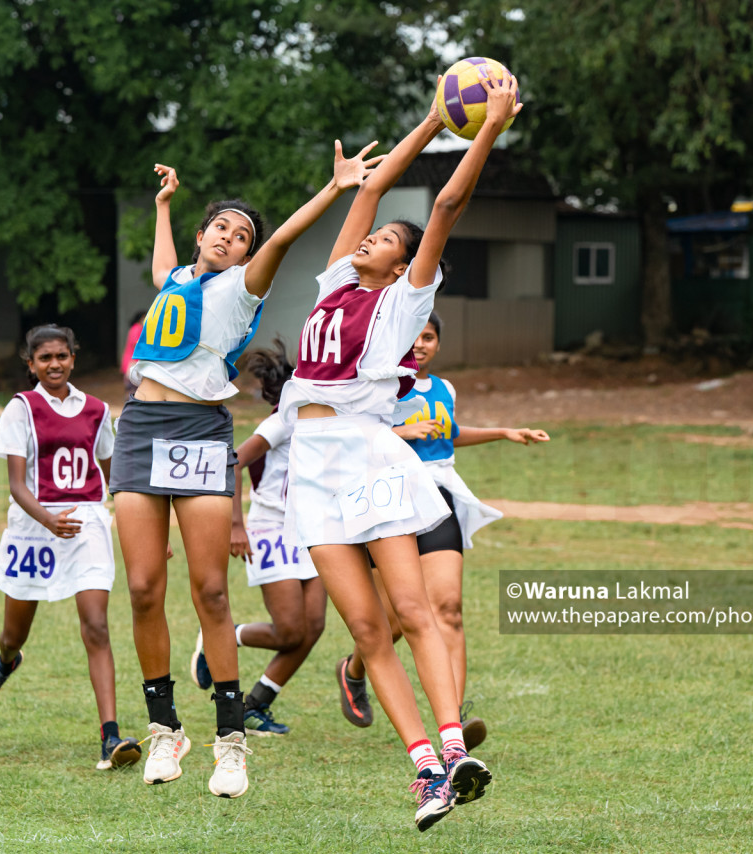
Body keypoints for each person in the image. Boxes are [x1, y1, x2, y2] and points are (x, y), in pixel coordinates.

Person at [278, 73, 521, 831]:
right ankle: (425, 772)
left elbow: (444, 205)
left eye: (384, 240)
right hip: (309, 468)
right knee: (366, 630)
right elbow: (368, 195)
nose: (370, 238)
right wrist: (425, 119)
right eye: (373, 235)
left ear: (402, 265)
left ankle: (454, 751)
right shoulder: (334, 283)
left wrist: (484, 128)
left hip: (367, 455)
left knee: (415, 610)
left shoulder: (401, 299)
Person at [110, 140, 385, 796]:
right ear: (202, 235)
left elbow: (285, 236)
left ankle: (230, 741)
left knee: (209, 590)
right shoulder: (178, 279)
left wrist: (336, 188)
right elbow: (163, 265)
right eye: (222, 229)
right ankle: (164, 729)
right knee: (145, 588)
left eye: (242, 236)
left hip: (200, 431)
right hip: (141, 426)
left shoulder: (243, 285)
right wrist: (163, 207)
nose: (231, 239)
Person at [337, 312, 550, 752]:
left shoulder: (444, 389)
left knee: (448, 608)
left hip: (438, 495)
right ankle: (353, 669)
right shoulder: (372, 386)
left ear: (438, 344)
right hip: (388, 498)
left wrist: (503, 432)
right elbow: (344, 436)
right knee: (391, 621)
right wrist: (401, 430)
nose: (419, 345)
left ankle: (452, 722)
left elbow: (447, 435)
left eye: (428, 337)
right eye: (412, 338)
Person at [0, 324, 140, 771]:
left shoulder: (99, 410)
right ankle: (5, 663)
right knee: (14, 633)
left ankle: (110, 737)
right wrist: (47, 520)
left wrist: (139, 526)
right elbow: (15, 483)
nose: (55, 364)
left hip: (86, 523)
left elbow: (112, 474)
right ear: (31, 365)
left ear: (73, 358)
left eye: (61, 356)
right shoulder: (21, 409)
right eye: (44, 358)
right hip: (34, 526)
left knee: (96, 626)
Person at [192, 338, 326, 737]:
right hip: (271, 528)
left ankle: (257, 705)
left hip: (314, 531)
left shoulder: (325, 418)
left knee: (313, 627)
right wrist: (236, 525)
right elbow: (232, 461)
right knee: (289, 631)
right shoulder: (281, 420)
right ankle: (225, 637)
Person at [121, 310, 148, 399]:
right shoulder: (137, 328)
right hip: (132, 361)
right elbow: (135, 344)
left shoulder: (138, 328)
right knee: (132, 386)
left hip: (133, 360)